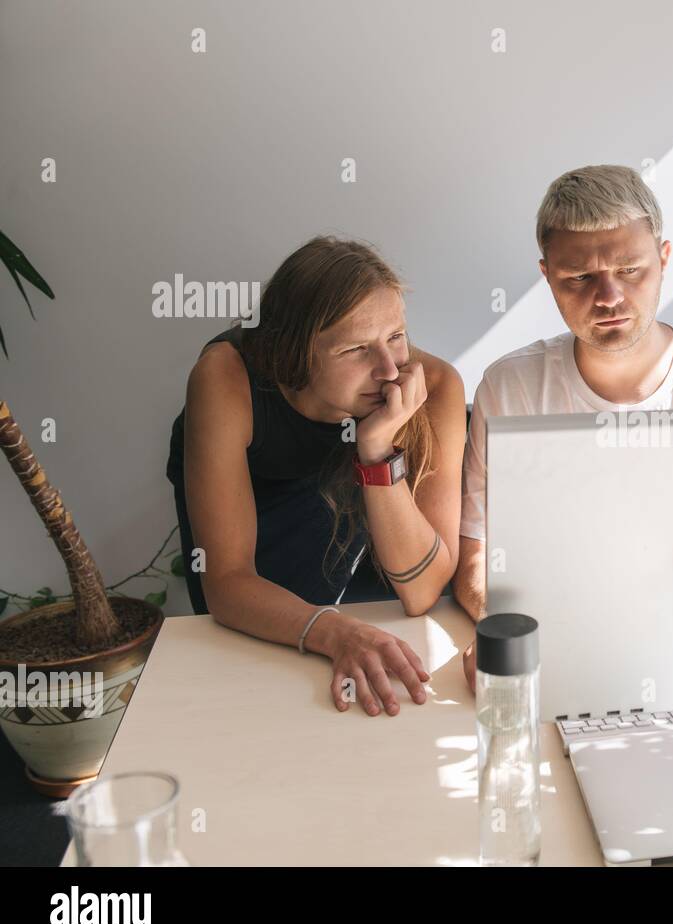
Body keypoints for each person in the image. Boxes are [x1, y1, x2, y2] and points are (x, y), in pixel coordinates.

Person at [453, 165, 673, 688]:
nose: (608, 297)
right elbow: (475, 554)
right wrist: (510, 634)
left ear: (664, 259)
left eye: (630, 269)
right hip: (560, 655)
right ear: (547, 277)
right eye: (579, 278)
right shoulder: (508, 388)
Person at [166, 237, 465, 717]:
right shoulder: (226, 378)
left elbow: (422, 590)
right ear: (295, 350)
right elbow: (226, 583)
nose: (389, 370)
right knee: (259, 693)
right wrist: (335, 631)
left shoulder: (436, 386)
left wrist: (375, 450)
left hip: (377, 556)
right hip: (266, 544)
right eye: (355, 349)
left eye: (396, 336)